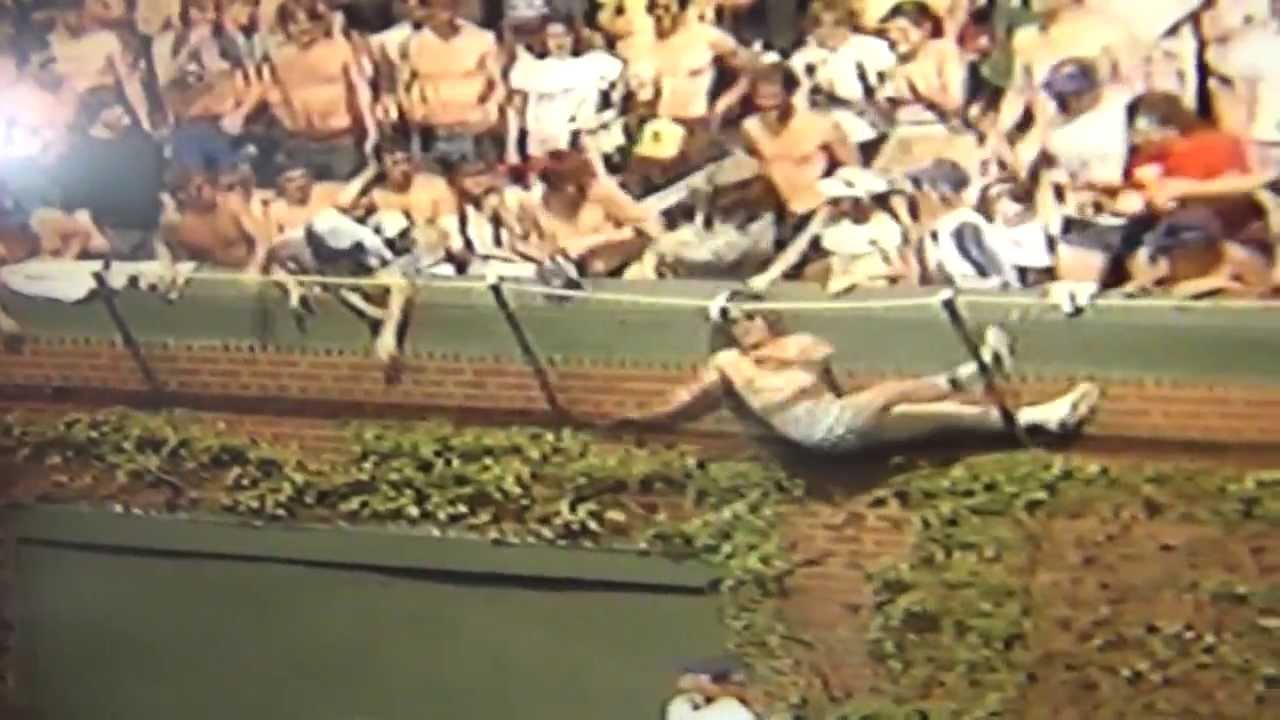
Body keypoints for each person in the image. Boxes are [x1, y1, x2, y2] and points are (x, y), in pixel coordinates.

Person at [603, 292, 1101, 454]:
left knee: (943, 414)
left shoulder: (798, 344)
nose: (745, 329)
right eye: (735, 323)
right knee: (890, 391)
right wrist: (638, 418)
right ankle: (976, 369)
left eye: (750, 318)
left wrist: (772, 358)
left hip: (836, 419)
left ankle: (1041, 417)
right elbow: (685, 398)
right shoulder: (727, 363)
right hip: (813, 432)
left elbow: (815, 356)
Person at [739, 63, 859, 292]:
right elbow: (756, 164)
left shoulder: (821, 125)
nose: (767, 107)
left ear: (789, 94)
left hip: (819, 203)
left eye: (773, 98)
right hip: (776, 206)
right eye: (760, 99)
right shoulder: (750, 127)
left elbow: (853, 168)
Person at [255, 0, 376, 181]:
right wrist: (288, 122)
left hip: (341, 140)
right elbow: (274, 96)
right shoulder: (280, 58)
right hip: (301, 141)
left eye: (309, 22)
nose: (303, 28)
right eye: (295, 23)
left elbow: (360, 89)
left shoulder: (339, 49)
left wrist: (371, 129)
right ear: (286, 26)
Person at [378, 0, 506, 160]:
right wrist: (415, 112)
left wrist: (487, 110)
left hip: (473, 130)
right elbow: (403, 86)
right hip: (431, 131)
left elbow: (498, 85)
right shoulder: (412, 44)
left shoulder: (483, 39)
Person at [522, 148, 665, 275]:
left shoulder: (599, 192)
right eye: (553, 186)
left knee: (595, 264)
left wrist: (609, 237)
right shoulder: (538, 205)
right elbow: (553, 248)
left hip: (614, 264)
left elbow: (650, 225)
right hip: (571, 271)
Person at [506, 15, 624, 162]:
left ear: (572, 37)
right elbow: (517, 87)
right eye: (553, 36)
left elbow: (617, 71)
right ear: (544, 40)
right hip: (538, 143)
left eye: (563, 35)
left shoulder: (592, 63)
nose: (559, 41)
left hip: (575, 141)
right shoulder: (532, 69)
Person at [159, 164, 271, 271]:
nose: (208, 189)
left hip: (249, 269)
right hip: (210, 274)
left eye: (208, 183)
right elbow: (175, 260)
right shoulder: (176, 224)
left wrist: (254, 269)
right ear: (182, 195)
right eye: (199, 188)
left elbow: (263, 240)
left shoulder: (231, 203)